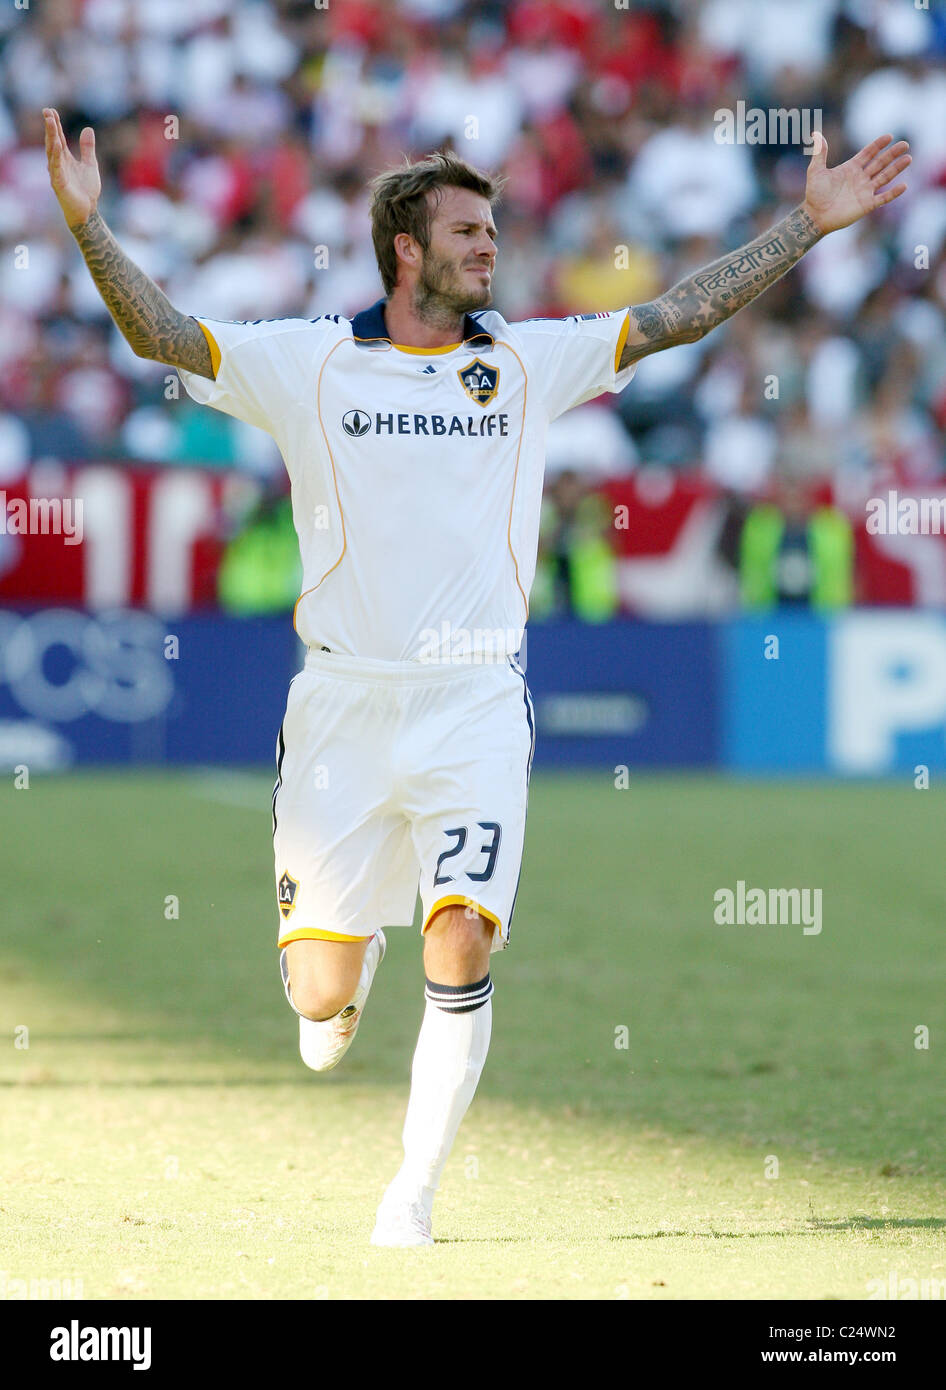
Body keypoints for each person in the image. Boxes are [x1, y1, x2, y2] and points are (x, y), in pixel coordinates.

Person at [43, 105, 909, 1245]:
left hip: (475, 707)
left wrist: (807, 227)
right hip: (343, 705)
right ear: (407, 248)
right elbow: (163, 336)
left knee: (461, 935)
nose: (488, 247)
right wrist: (89, 228)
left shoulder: (525, 359)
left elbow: (672, 318)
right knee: (314, 995)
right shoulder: (309, 360)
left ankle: (412, 1192)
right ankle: (341, 980)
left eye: (491, 228)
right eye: (467, 230)